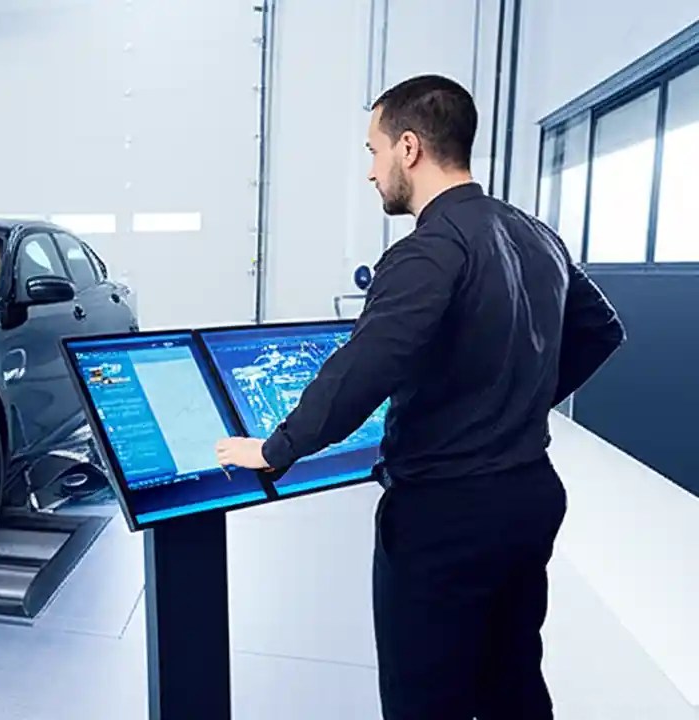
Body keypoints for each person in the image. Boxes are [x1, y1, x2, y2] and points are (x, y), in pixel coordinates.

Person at [215, 74, 625, 719]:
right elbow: (602, 330)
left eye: (373, 152)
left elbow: (367, 365)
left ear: (409, 148)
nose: (371, 172)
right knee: (513, 677)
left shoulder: (428, 251)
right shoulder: (536, 234)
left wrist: (277, 447)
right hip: (529, 497)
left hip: (446, 515)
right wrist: (519, 399)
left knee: (423, 699)